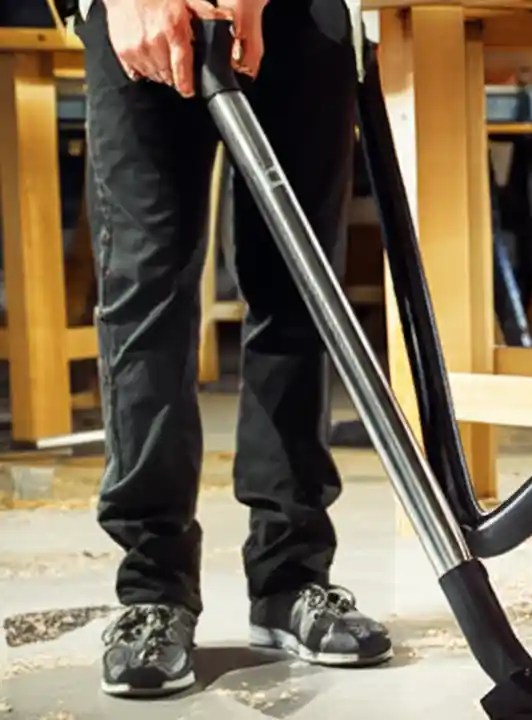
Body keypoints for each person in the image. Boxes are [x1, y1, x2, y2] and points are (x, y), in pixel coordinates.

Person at [77, 0, 391, 698]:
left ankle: (291, 578)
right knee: (145, 295)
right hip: (140, 15)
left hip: (298, 15)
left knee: (298, 287)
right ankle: (152, 591)